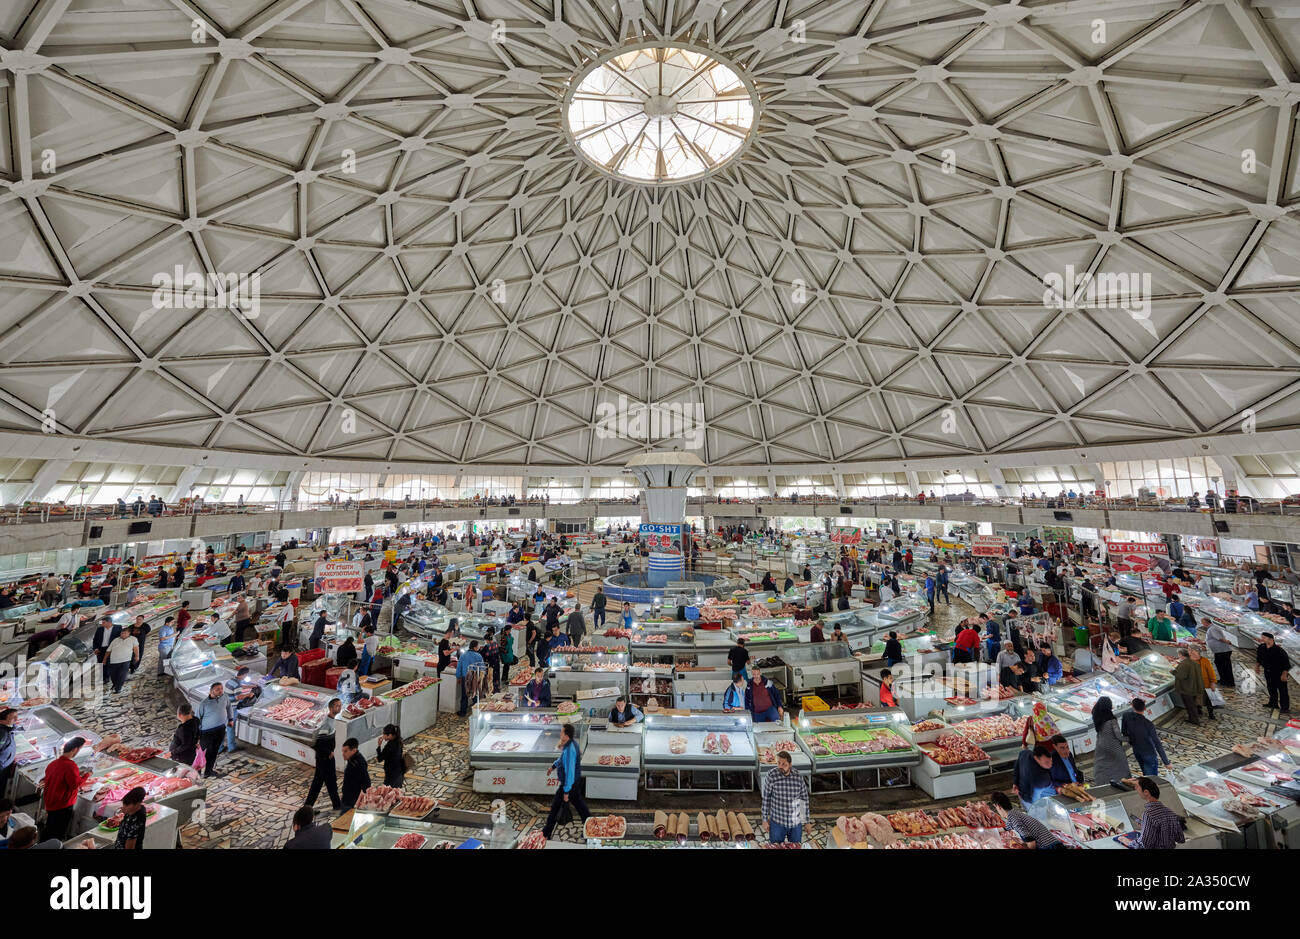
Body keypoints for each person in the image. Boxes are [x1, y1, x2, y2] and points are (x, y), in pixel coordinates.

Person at [541, 723, 590, 839]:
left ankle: (546, 833)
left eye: (562, 732)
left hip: (569, 784)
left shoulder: (570, 750)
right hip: (572, 783)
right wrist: (553, 766)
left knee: (556, 808)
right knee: (580, 807)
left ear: (566, 735)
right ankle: (589, 826)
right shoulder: (570, 744)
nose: (560, 734)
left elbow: (570, 773)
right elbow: (562, 759)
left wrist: (566, 791)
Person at [40, 737, 89, 842]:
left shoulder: (53, 763)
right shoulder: (70, 766)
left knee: (50, 828)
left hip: (51, 803)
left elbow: (59, 778)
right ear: (75, 749)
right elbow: (75, 785)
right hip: (62, 805)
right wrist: (86, 776)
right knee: (57, 832)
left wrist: (77, 774)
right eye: (80, 749)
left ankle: (42, 844)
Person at [761, 750, 809, 845]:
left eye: (784, 764)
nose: (780, 766)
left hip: (795, 823)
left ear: (790, 764)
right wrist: (764, 819)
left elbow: (804, 799)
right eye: (779, 763)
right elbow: (766, 798)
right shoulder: (771, 775)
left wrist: (807, 821)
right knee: (776, 846)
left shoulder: (798, 777)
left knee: (796, 846)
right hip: (777, 822)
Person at [304, 698, 344, 811]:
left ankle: (307, 807)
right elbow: (317, 742)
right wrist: (328, 752)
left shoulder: (331, 720)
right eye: (337, 706)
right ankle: (337, 805)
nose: (339, 708)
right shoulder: (326, 723)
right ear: (331, 708)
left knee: (317, 783)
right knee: (331, 783)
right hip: (325, 758)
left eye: (340, 705)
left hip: (326, 757)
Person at [991, 790, 1062, 849]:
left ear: (998, 806)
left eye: (995, 808)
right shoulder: (1013, 814)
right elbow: (1006, 828)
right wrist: (987, 830)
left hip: (1049, 846)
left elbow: (1031, 842)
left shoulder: (1013, 817)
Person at [1121, 698, 1171, 776]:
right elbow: (1157, 743)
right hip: (1149, 753)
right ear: (1145, 708)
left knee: (1145, 775)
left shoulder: (1126, 716)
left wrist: (1132, 741)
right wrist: (1166, 762)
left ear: (1132, 706)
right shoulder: (1148, 724)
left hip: (1137, 750)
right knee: (1151, 779)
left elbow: (1124, 732)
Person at [1135, 776, 1185, 849]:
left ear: (1146, 792)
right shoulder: (1170, 812)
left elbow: (1145, 844)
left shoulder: (1148, 814)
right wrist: (1146, 826)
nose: (1135, 788)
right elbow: (1180, 839)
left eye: (1137, 786)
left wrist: (1128, 841)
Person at [196, 682, 233, 779]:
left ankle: (209, 771)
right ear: (211, 691)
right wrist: (197, 734)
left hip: (220, 729)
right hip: (206, 732)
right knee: (201, 753)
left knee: (214, 751)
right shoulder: (204, 704)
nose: (220, 690)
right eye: (217, 689)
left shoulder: (225, 697)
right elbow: (197, 718)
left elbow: (229, 708)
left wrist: (231, 719)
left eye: (221, 688)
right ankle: (197, 772)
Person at [1090, 695, 1130, 785]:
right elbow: (1118, 736)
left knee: (1103, 765)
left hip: (1101, 745)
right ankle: (1122, 782)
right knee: (1120, 766)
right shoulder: (1111, 720)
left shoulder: (1097, 717)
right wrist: (1130, 739)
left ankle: (1103, 783)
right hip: (1113, 746)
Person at [1255, 632, 1291, 714]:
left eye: (1264, 638)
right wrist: (1257, 666)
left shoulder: (1279, 651)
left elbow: (1286, 664)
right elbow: (1259, 658)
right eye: (1262, 637)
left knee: (1282, 690)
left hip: (1279, 673)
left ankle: (1285, 707)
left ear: (1271, 639)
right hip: (1268, 671)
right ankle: (1273, 703)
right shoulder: (1261, 647)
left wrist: (1284, 674)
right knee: (1271, 688)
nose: (1262, 639)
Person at [1172, 647, 1204, 725]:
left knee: (1190, 705)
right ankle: (1194, 718)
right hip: (1194, 687)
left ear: (1181, 655)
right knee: (1192, 704)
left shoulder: (1184, 664)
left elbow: (1181, 676)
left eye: (1179, 654)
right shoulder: (1194, 662)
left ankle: (1194, 720)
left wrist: (1173, 672)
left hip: (1187, 688)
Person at [339, 738, 370, 811]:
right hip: (347, 797)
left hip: (351, 800)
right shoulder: (352, 759)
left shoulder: (358, 763)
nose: (343, 754)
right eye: (343, 751)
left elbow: (366, 781)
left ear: (354, 750)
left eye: (345, 751)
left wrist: (366, 797)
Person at [455, 639, 484, 716]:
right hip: (475, 678)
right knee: (475, 695)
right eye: (478, 647)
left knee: (464, 696)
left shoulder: (463, 655)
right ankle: (477, 712)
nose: (478, 648)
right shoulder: (478, 656)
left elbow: (459, 667)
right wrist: (481, 678)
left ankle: (463, 712)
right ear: (475, 647)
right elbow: (482, 668)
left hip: (465, 678)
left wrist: (458, 677)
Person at [1203, 617, 1235, 687]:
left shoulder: (1212, 628)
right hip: (1219, 651)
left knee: (1225, 667)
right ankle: (1223, 680)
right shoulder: (1211, 628)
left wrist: (1227, 641)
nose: (1202, 624)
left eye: (1203, 622)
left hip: (1222, 651)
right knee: (1220, 665)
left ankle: (1229, 682)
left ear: (1206, 622)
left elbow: (1219, 638)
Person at [1192, 646, 1217, 721]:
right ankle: (1199, 710)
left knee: (1208, 700)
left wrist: (1213, 682)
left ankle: (1211, 714)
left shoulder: (1205, 661)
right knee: (1196, 698)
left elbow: (1211, 672)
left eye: (1193, 651)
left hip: (1206, 684)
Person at [0, 709, 17, 797]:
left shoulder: (7, 728)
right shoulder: (2, 734)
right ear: (3, 719)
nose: (16, 719)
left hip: (5, 764)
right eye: (13, 717)